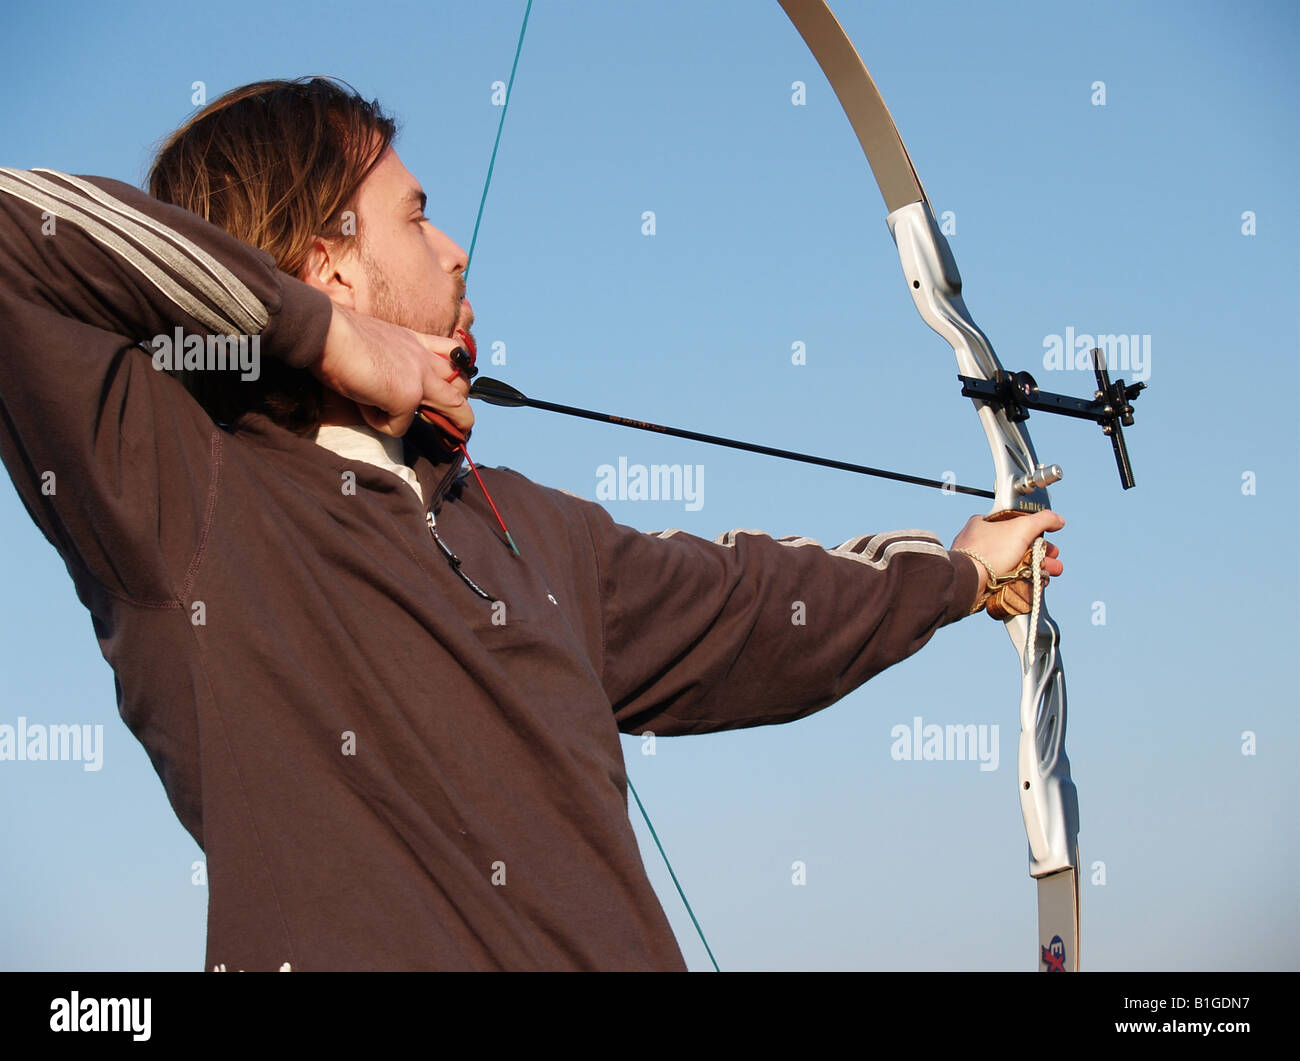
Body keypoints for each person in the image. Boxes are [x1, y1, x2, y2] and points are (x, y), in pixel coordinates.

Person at [0, 77, 1062, 971]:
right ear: (323, 262)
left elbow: (752, 608)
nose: (455, 250)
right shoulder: (180, 483)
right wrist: (330, 340)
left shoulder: (518, 525)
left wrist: (961, 572)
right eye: (416, 216)